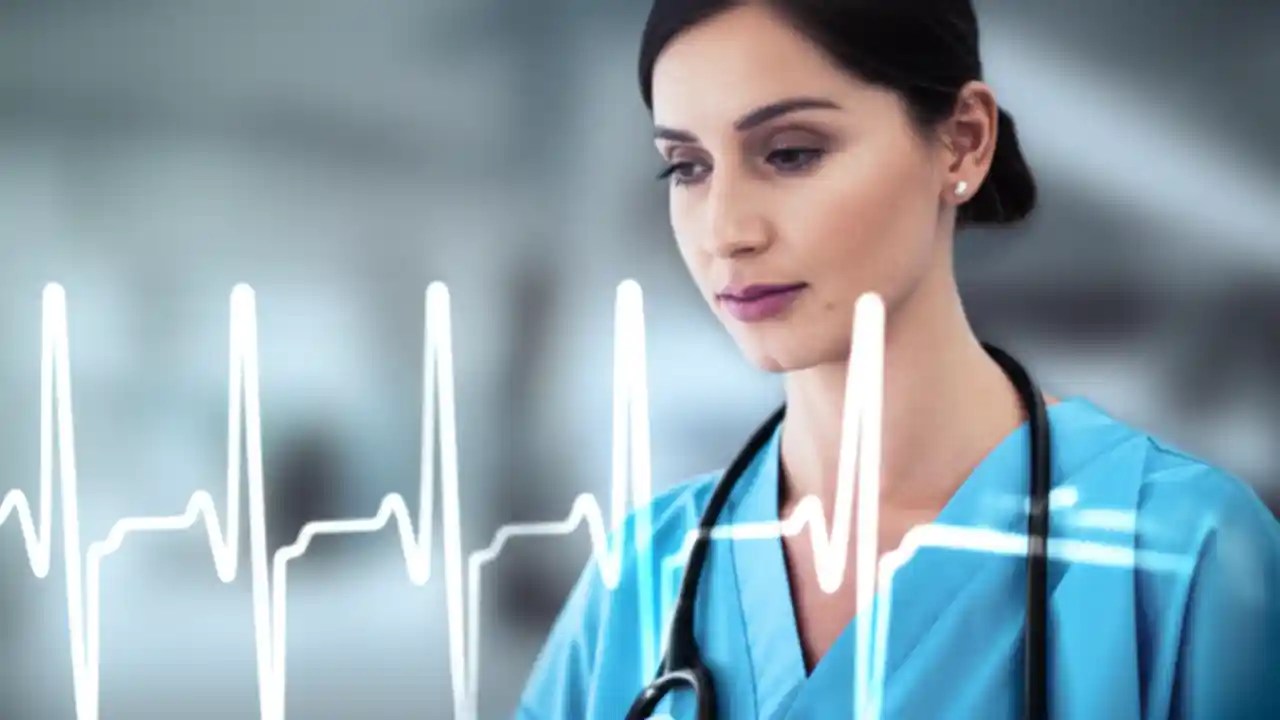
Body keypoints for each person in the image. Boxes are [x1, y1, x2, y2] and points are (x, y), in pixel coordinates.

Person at [516, 1, 1280, 718]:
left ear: (964, 140)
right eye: (687, 167)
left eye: (790, 153)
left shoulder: (1189, 553)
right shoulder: (641, 579)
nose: (725, 231)